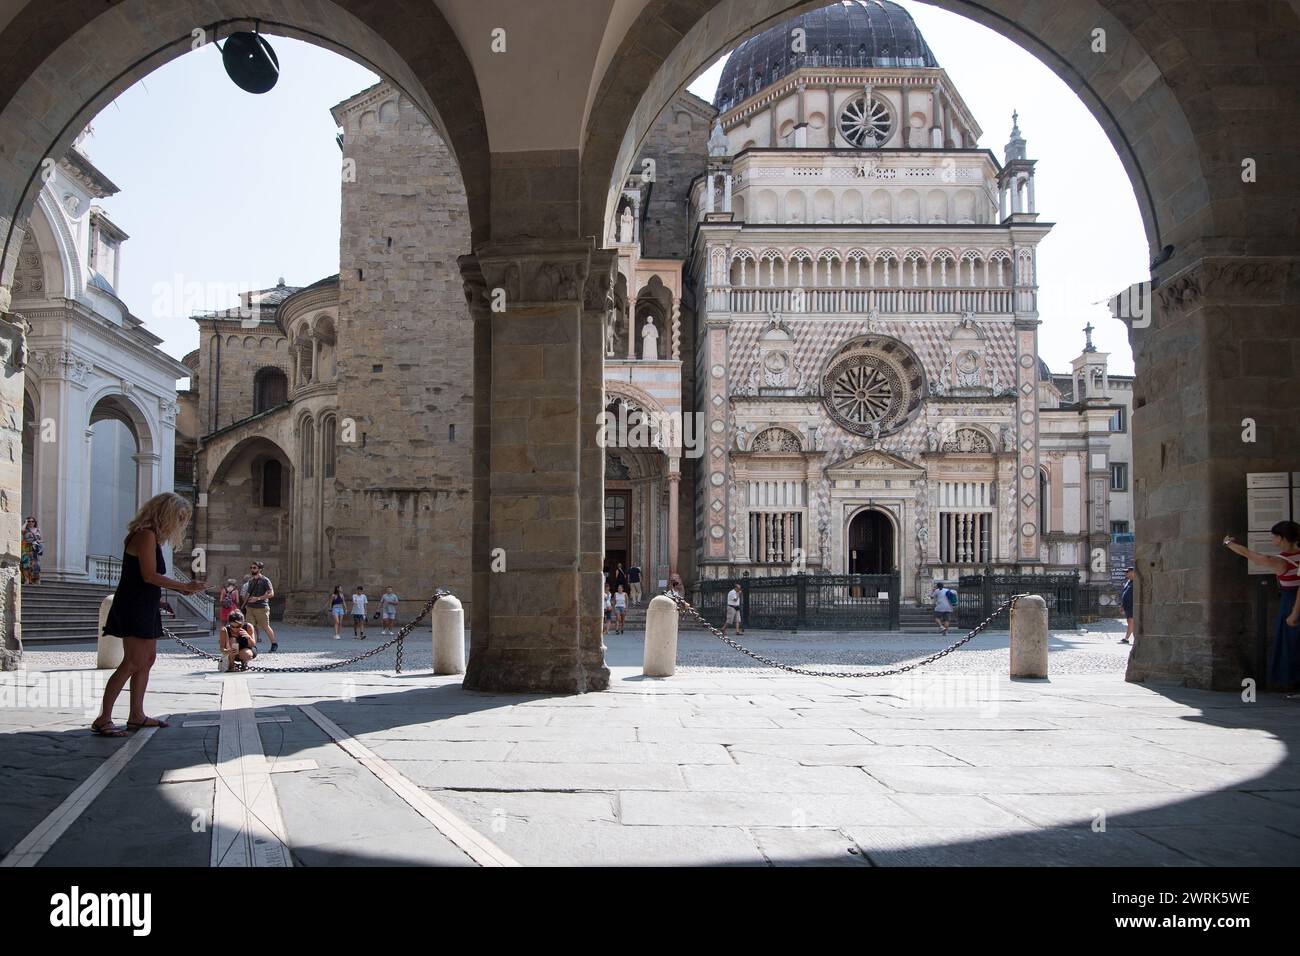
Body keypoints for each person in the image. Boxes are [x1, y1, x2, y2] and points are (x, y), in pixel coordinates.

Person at [93, 492, 205, 737]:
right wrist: (184, 586)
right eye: (179, 517)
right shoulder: (145, 535)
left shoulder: (152, 538)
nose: (180, 523)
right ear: (165, 514)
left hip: (146, 604)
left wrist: (184, 589)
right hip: (134, 604)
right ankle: (103, 718)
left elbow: (152, 579)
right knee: (132, 662)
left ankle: (137, 716)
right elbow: (149, 576)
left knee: (147, 660)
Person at [1224, 522, 1300, 695]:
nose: (1272, 539)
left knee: (1291, 644)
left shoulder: (1281, 562)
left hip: (1291, 602)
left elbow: (1249, 554)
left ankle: (1294, 683)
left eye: (1274, 536)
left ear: (1281, 538)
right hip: (1292, 600)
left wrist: (1229, 543)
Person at [241, 561, 276, 652]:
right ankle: (252, 646)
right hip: (250, 607)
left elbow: (271, 594)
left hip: (261, 607)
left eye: (254, 568)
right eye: (251, 567)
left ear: (260, 569)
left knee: (265, 627)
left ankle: (274, 643)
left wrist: (258, 598)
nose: (252, 569)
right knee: (249, 627)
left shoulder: (265, 580)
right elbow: (248, 594)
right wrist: (243, 605)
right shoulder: (251, 581)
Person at [20, 516, 42, 584]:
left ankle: (35, 579)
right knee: (25, 564)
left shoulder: (38, 530)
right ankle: (26, 579)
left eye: (32, 521)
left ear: (35, 522)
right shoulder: (25, 529)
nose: (31, 522)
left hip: (34, 549)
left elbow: (41, 539)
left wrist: (37, 542)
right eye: (29, 521)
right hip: (25, 548)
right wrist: (25, 523)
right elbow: (21, 530)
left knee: (36, 565)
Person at [1119, 567, 1136, 644]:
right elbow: (1125, 594)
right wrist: (1122, 605)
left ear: (1132, 572)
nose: (1126, 573)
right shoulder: (1128, 582)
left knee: (1131, 622)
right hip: (1127, 606)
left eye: (1127, 572)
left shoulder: (1136, 582)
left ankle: (1126, 638)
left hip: (1132, 605)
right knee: (1130, 621)